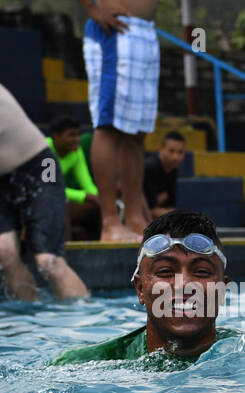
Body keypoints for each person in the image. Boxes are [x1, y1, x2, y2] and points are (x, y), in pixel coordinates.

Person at [50, 210, 237, 364]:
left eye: (202, 272)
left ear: (222, 290)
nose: (184, 285)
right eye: (165, 272)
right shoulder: (81, 364)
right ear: (140, 289)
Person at [77, 0, 160, 242]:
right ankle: (109, 222)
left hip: (145, 33)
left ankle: (135, 220)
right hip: (115, 31)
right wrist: (91, 7)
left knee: (136, 134)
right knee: (109, 127)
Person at [0, 84, 88, 300]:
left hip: (40, 166)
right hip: (2, 180)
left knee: (48, 261)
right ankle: (30, 324)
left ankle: (86, 323)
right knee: (5, 253)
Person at [46, 115, 102, 241]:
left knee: (99, 206)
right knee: (63, 205)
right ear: (56, 136)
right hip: (39, 202)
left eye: (78, 135)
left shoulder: (76, 151)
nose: (77, 139)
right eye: (71, 135)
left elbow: (87, 184)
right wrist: (84, 196)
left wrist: (98, 198)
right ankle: (66, 250)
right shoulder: (46, 150)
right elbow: (49, 188)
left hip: (58, 199)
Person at [143, 130, 186, 220]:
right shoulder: (149, 167)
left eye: (180, 152)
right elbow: (145, 209)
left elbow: (170, 204)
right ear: (160, 149)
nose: (176, 157)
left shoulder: (173, 170)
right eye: (171, 151)